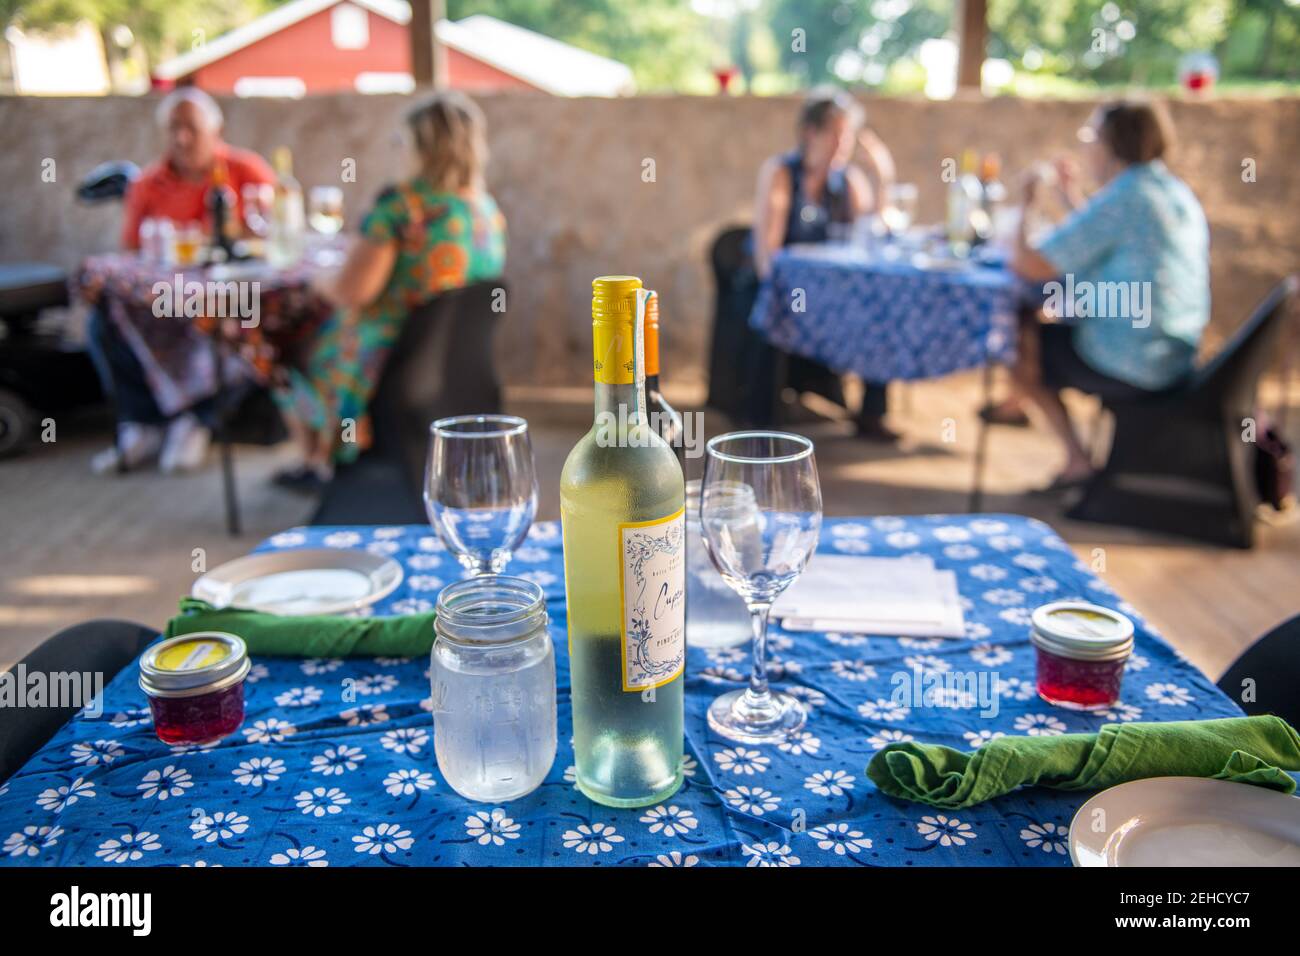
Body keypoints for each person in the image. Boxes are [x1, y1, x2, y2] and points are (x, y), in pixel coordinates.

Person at [273, 91, 507, 491]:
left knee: (282, 351)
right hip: (453, 364)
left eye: (402, 142)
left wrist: (313, 278)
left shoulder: (400, 208)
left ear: (420, 147)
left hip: (386, 357)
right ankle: (323, 460)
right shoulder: (485, 211)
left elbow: (353, 291)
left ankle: (321, 463)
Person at [1003, 99, 1210, 492]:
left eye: (1090, 137)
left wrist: (1025, 204)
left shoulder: (1127, 196)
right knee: (1048, 317)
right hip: (1173, 352)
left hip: (1133, 361)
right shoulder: (1165, 188)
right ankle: (1019, 412)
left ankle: (1076, 461)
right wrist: (1069, 197)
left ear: (1111, 144)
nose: (1086, 148)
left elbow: (1029, 264)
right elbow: (1104, 241)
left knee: (1014, 343)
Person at [88, 87, 276, 475]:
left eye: (191, 128)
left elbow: (273, 237)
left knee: (245, 323)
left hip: (232, 294)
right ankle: (142, 424)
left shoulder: (245, 171)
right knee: (104, 319)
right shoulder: (147, 183)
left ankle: (196, 420)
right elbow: (132, 252)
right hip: (165, 298)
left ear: (215, 129)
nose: (181, 138)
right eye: (174, 129)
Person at [752, 86, 899, 440]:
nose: (842, 145)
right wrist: (781, 292)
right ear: (809, 132)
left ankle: (871, 416)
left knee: (880, 307)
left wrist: (883, 175)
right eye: (835, 134)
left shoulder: (848, 181)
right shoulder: (782, 173)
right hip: (790, 289)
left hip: (836, 293)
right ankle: (766, 413)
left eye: (846, 137)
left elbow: (875, 232)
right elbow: (766, 252)